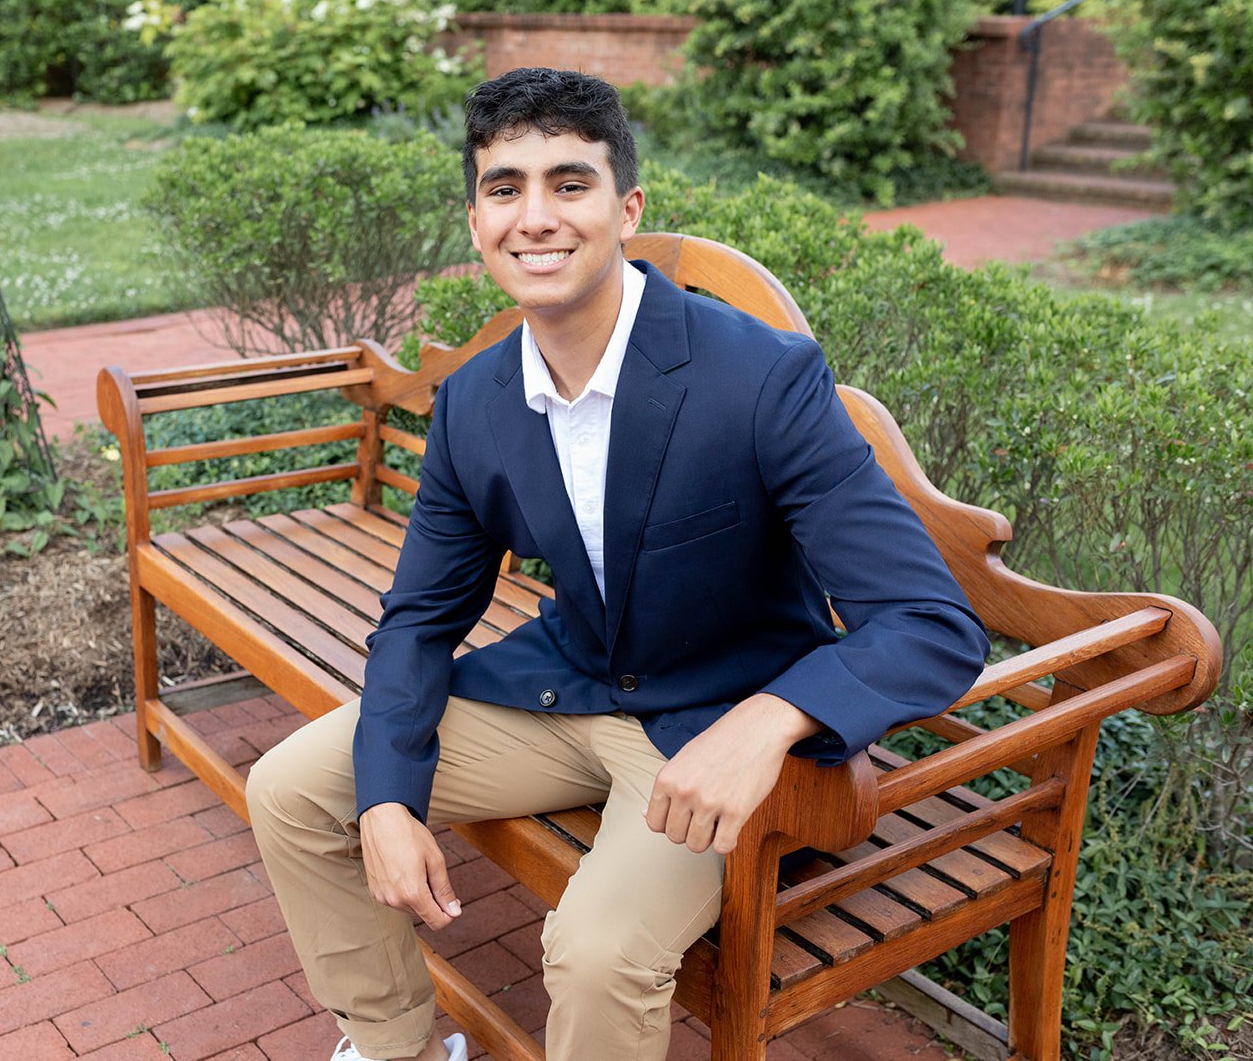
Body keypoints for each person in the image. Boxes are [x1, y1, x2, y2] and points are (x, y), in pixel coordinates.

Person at [246, 67, 990, 1061]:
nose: (535, 216)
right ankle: (393, 1045)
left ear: (626, 206)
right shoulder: (475, 403)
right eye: (505, 188)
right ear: (475, 219)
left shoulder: (760, 379)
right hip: (565, 689)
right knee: (297, 788)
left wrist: (767, 722)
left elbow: (930, 622)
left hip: (715, 727)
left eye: (569, 182)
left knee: (597, 951)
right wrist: (384, 799)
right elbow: (420, 620)